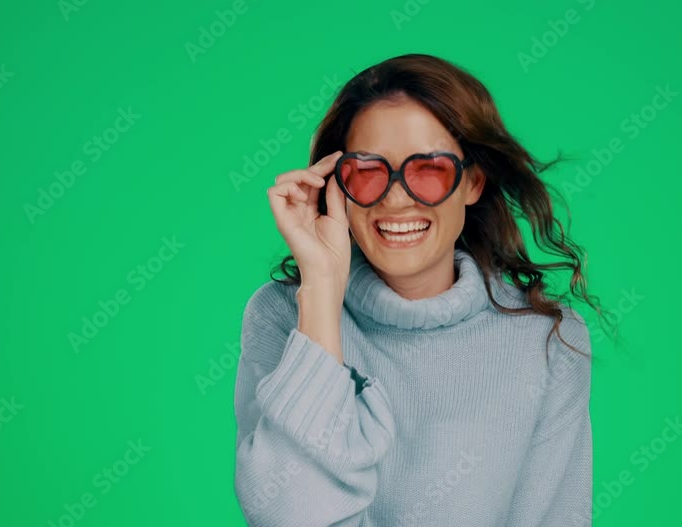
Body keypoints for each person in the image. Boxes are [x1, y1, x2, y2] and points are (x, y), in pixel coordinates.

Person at [233, 53, 602, 527]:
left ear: (472, 181)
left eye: (428, 169)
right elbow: (289, 516)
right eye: (367, 171)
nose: (395, 198)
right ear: (337, 185)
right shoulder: (283, 315)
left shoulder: (548, 340)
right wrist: (321, 291)